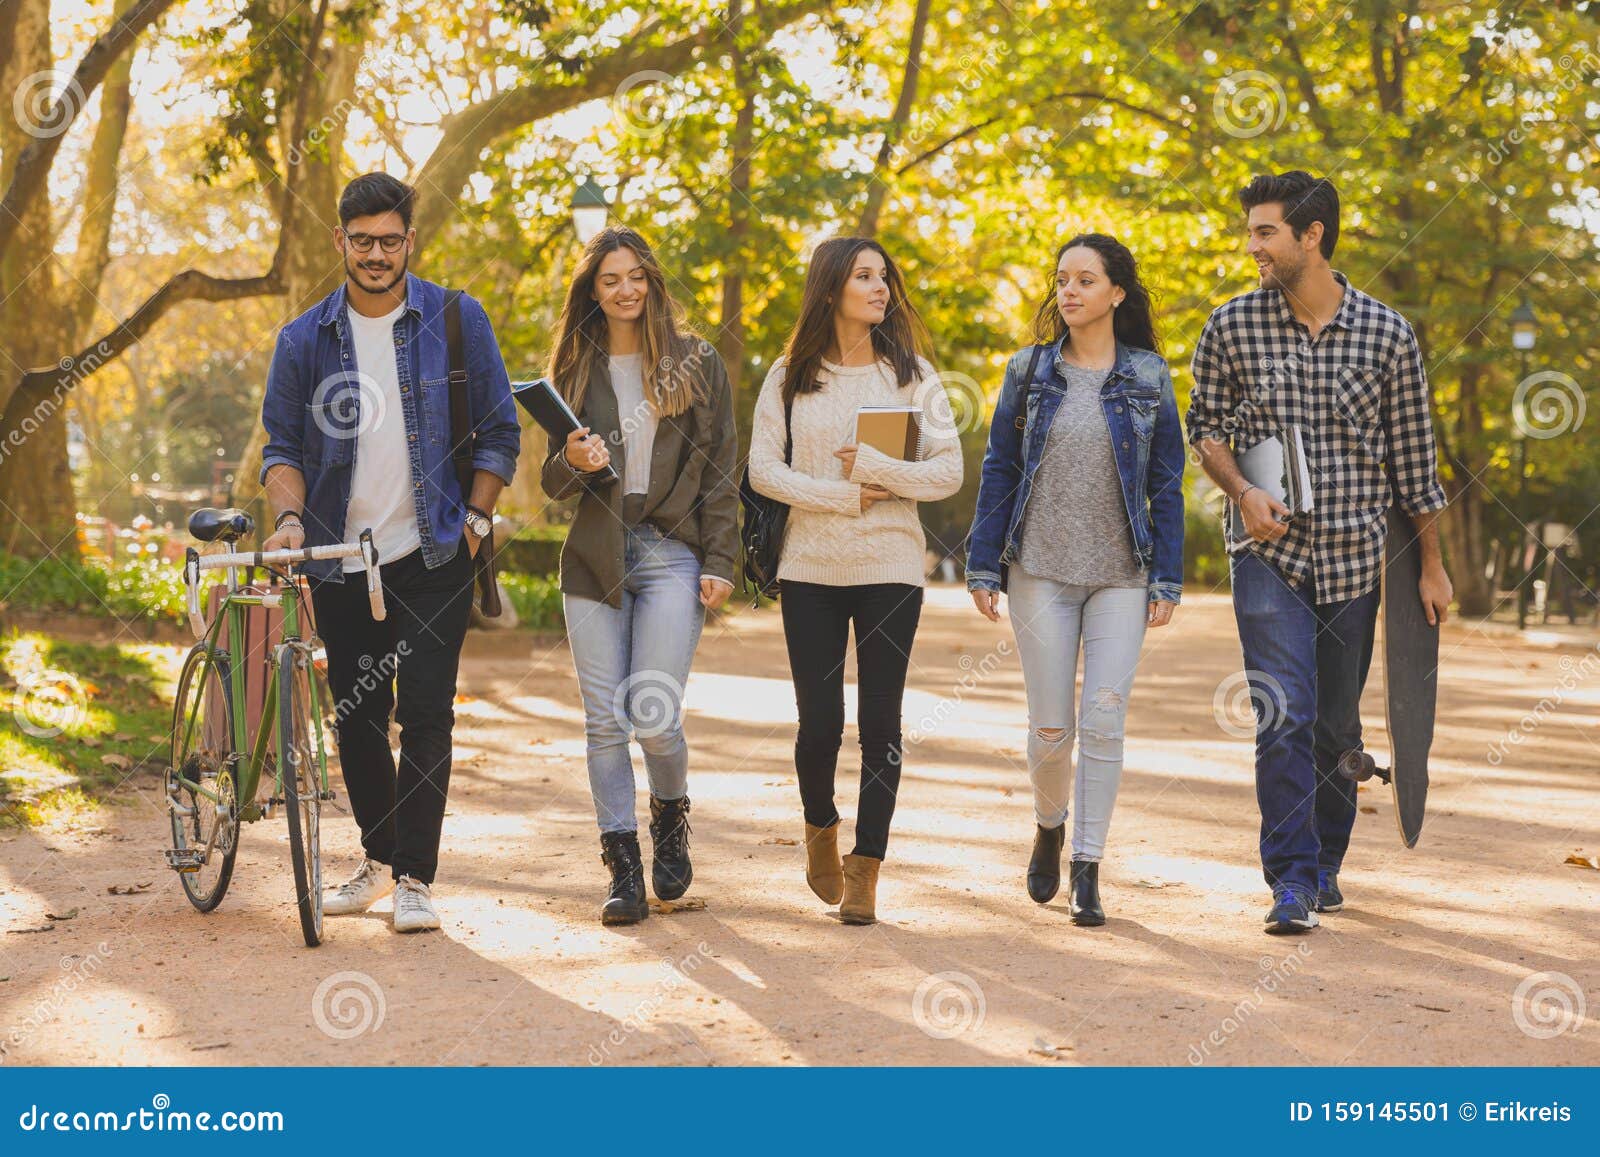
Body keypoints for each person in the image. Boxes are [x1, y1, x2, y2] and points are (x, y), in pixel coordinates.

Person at [1187, 171, 1451, 935]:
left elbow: (1415, 462)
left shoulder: (1386, 333)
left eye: (1266, 232)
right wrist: (1242, 490)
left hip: (1354, 558)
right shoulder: (1232, 325)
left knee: (1334, 726)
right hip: (1267, 556)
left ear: (1312, 236)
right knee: (1284, 713)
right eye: (1250, 231)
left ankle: (1327, 860)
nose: (1253, 245)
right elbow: (1205, 428)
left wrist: (1432, 566)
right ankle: (1292, 879)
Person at [259, 172, 522, 933]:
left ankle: (414, 878)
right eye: (362, 240)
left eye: (390, 240)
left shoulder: (456, 318)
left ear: (411, 240)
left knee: (428, 713)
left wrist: (475, 520)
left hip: (434, 554)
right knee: (358, 717)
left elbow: (500, 432)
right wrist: (289, 520)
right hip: (342, 556)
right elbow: (282, 447)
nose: (376, 254)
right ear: (340, 240)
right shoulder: (302, 340)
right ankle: (379, 858)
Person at [965, 233, 1185, 925]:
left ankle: (1087, 866)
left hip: (1122, 575)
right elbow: (999, 468)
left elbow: (1167, 483)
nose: (1069, 291)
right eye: (1063, 279)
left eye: (1086, 280)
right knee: (1052, 730)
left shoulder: (1149, 376)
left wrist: (1167, 578)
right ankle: (1049, 824)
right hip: (1040, 571)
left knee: (1105, 721)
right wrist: (983, 561)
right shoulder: (1027, 370)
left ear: (1117, 292)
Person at [749, 236, 963, 925]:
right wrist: (842, 495)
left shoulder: (915, 374)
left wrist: (877, 468)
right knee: (820, 724)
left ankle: (866, 865)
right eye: (864, 276)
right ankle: (820, 826)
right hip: (809, 565)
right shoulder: (789, 375)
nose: (880, 287)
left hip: (890, 565)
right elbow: (762, 471)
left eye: (884, 277)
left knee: (880, 722)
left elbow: (949, 471)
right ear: (831, 287)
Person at [540, 226, 739, 926]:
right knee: (604, 720)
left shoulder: (697, 362)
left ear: (652, 281)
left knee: (653, 714)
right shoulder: (574, 367)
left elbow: (721, 471)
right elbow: (553, 482)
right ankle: (622, 865)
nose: (625, 289)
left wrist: (722, 561)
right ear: (592, 292)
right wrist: (574, 461)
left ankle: (671, 814)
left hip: (670, 552)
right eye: (609, 280)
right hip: (594, 555)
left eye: (635, 276)